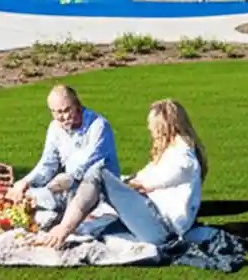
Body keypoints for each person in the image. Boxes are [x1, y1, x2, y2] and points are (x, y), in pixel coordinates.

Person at [33, 99, 207, 249]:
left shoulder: (183, 157)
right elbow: (142, 176)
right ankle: (66, 219)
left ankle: (63, 229)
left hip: (163, 229)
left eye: (152, 126)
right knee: (95, 213)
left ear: (165, 127)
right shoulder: (172, 151)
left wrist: (119, 185)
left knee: (98, 174)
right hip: (154, 218)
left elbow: (151, 181)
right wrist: (122, 182)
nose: (149, 129)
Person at [4, 85, 120, 228]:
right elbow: (47, 163)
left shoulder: (98, 126)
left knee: (88, 180)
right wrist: (26, 181)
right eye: (58, 112)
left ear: (77, 105)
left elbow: (83, 166)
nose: (63, 117)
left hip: (97, 188)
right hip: (67, 187)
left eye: (67, 110)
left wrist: (58, 183)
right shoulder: (55, 128)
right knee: (26, 195)